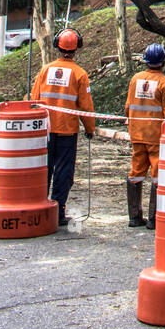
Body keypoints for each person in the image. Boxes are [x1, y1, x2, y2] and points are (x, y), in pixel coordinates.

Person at [30, 28, 95, 228]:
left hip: (45, 130)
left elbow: (33, 100)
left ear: (57, 46)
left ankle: (39, 208)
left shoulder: (45, 70)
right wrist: (90, 128)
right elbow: (86, 106)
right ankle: (58, 212)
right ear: (77, 48)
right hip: (67, 131)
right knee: (63, 172)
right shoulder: (80, 74)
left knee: (44, 170)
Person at [124, 43, 165, 230]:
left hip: (137, 134)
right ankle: (154, 218)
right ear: (162, 62)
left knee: (136, 172)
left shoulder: (136, 79)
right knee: (157, 176)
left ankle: (134, 217)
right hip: (156, 137)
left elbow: (128, 106)